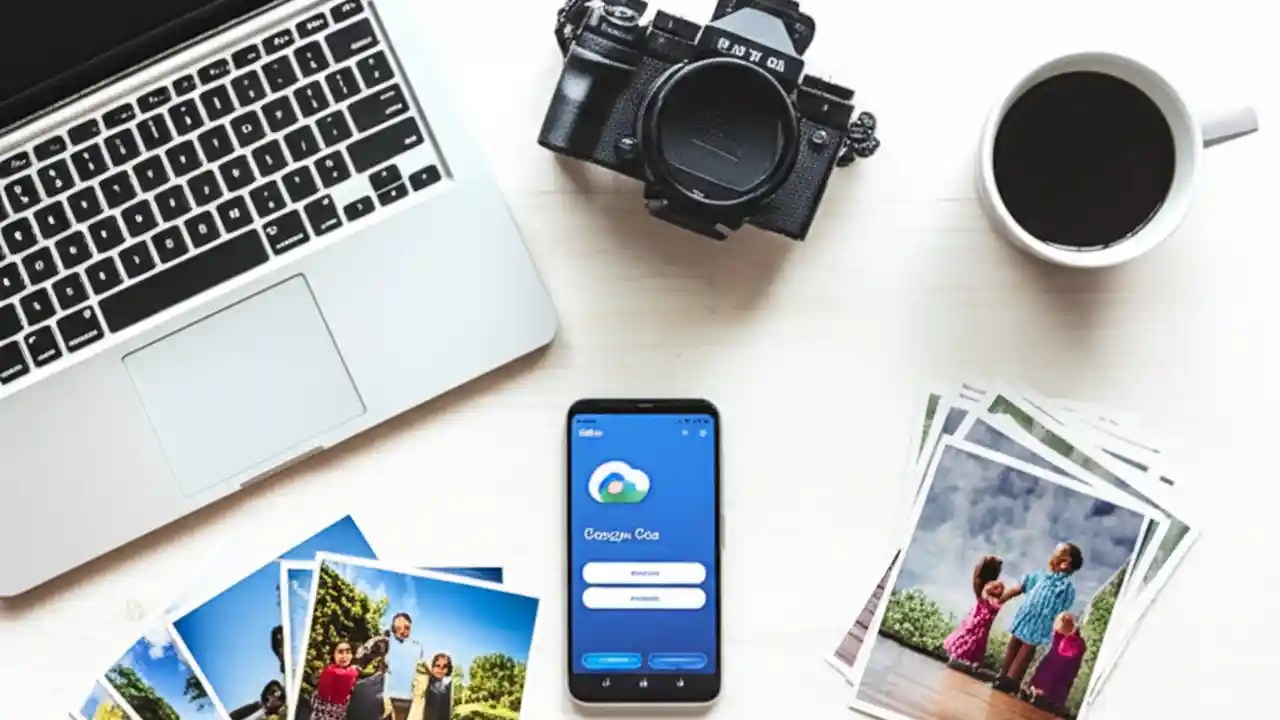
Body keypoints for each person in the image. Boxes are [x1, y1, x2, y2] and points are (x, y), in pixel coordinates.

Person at [992, 542, 1084, 692]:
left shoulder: (1066, 588)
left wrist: (1063, 629)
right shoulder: (1039, 576)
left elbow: (1063, 611)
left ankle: (1010, 679)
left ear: (1065, 563)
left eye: (1057, 553)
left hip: (1041, 625)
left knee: (1026, 650)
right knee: (1014, 644)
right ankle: (1003, 674)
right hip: (1025, 617)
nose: (1052, 555)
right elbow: (1018, 588)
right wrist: (1000, 600)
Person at [943, 555, 1005, 671]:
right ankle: (963, 659)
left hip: (979, 616)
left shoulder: (985, 587)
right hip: (982, 618)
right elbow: (991, 599)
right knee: (974, 637)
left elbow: (988, 598)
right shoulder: (990, 587)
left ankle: (960, 657)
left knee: (971, 636)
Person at [1025, 613, 1087, 712]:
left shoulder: (1071, 641)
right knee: (1050, 679)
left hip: (1058, 669)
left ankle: (1040, 695)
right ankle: (1040, 695)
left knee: (1051, 679)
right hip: (1057, 669)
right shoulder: (1076, 642)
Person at [385, 613, 424, 720]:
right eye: (398, 628)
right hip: (389, 696)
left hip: (409, 697)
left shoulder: (417, 646)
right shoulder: (387, 643)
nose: (403, 631)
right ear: (393, 629)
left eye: (407, 627)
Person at [313, 642, 361, 720]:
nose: (344, 656)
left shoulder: (354, 674)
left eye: (348, 652)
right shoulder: (328, 672)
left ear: (352, 655)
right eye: (340, 652)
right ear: (334, 654)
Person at [423, 653, 454, 720]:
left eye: (445, 666)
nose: (441, 669)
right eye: (438, 666)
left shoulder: (449, 687)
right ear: (432, 667)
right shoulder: (425, 683)